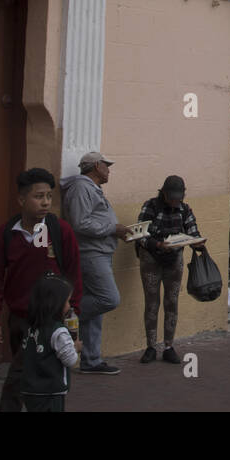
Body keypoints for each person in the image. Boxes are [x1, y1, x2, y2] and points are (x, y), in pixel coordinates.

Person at [0, 168, 83, 412]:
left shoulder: (60, 231)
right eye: (39, 196)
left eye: (49, 196)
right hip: (19, 320)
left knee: (28, 376)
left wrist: (73, 313)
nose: (46, 202)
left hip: (51, 322)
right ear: (21, 199)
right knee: (27, 377)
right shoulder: (7, 234)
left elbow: (74, 275)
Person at [60, 151, 131, 375]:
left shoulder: (91, 188)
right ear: (96, 166)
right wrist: (113, 228)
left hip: (100, 251)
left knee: (97, 307)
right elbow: (80, 223)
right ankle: (65, 318)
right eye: (106, 165)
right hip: (91, 253)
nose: (109, 169)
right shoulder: (81, 188)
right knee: (108, 299)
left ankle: (91, 359)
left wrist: (117, 231)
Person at [136, 175, 203, 363]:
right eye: (171, 197)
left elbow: (192, 231)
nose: (175, 201)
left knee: (172, 302)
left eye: (178, 197)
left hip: (174, 259)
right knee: (152, 303)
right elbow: (139, 235)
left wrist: (198, 243)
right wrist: (157, 245)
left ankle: (168, 345)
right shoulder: (150, 206)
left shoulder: (185, 209)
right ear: (163, 193)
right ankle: (151, 346)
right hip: (151, 259)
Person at [20, 274, 81, 411]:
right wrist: (75, 346)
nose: (69, 306)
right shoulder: (59, 332)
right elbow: (70, 360)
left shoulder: (30, 326)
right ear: (55, 304)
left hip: (30, 389)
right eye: (67, 301)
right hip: (51, 391)